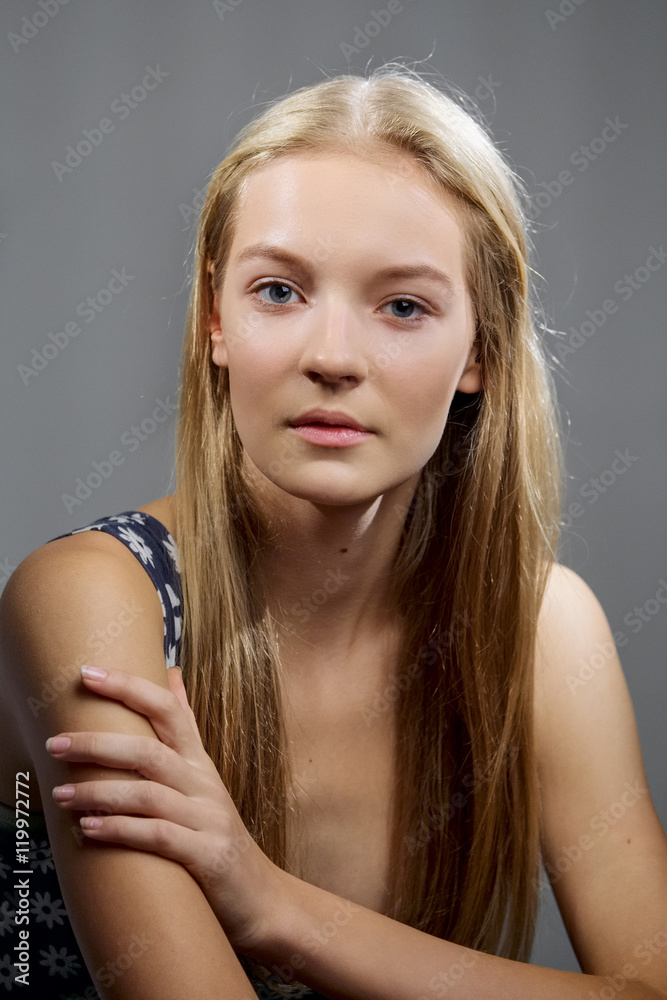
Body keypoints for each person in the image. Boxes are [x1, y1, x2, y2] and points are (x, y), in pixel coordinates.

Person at [1, 64, 665, 999]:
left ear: (480, 348)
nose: (332, 358)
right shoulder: (96, 600)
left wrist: (272, 905)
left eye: (402, 306)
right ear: (212, 319)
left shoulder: (541, 630)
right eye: (279, 291)